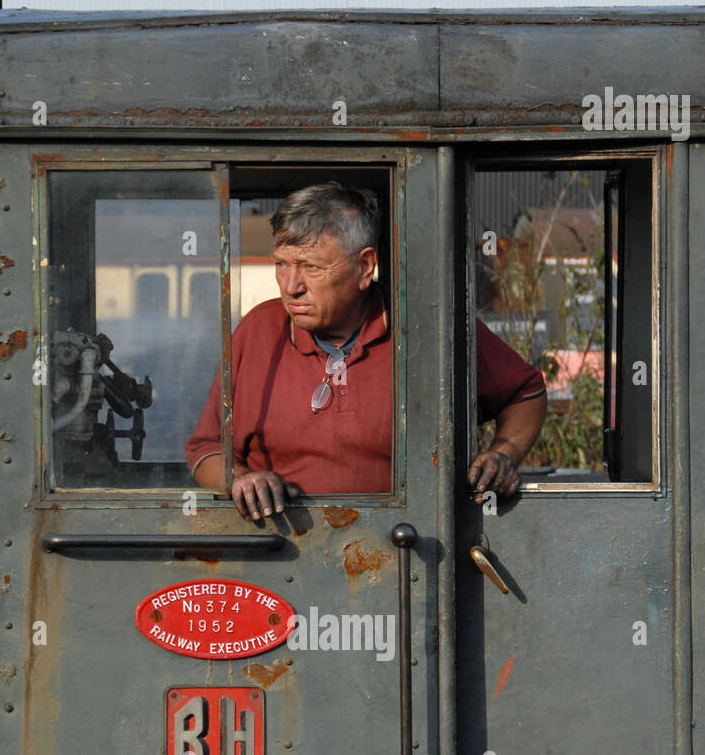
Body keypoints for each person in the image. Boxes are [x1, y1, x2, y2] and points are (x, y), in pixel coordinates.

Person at [185, 183, 547, 521]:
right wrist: (239, 479)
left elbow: (525, 393)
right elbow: (206, 448)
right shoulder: (256, 332)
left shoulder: (429, 328)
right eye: (282, 264)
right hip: (282, 556)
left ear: (365, 266)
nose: (291, 286)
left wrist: (503, 454)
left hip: (404, 554)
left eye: (311, 267)